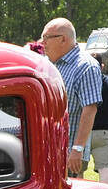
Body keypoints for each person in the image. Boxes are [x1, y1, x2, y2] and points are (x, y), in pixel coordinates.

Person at [40, 18, 101, 179]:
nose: (42, 43)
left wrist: (77, 149)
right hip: (47, 149)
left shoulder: (86, 66)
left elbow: (90, 109)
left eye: (47, 38)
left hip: (69, 152)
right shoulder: (47, 63)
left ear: (63, 39)